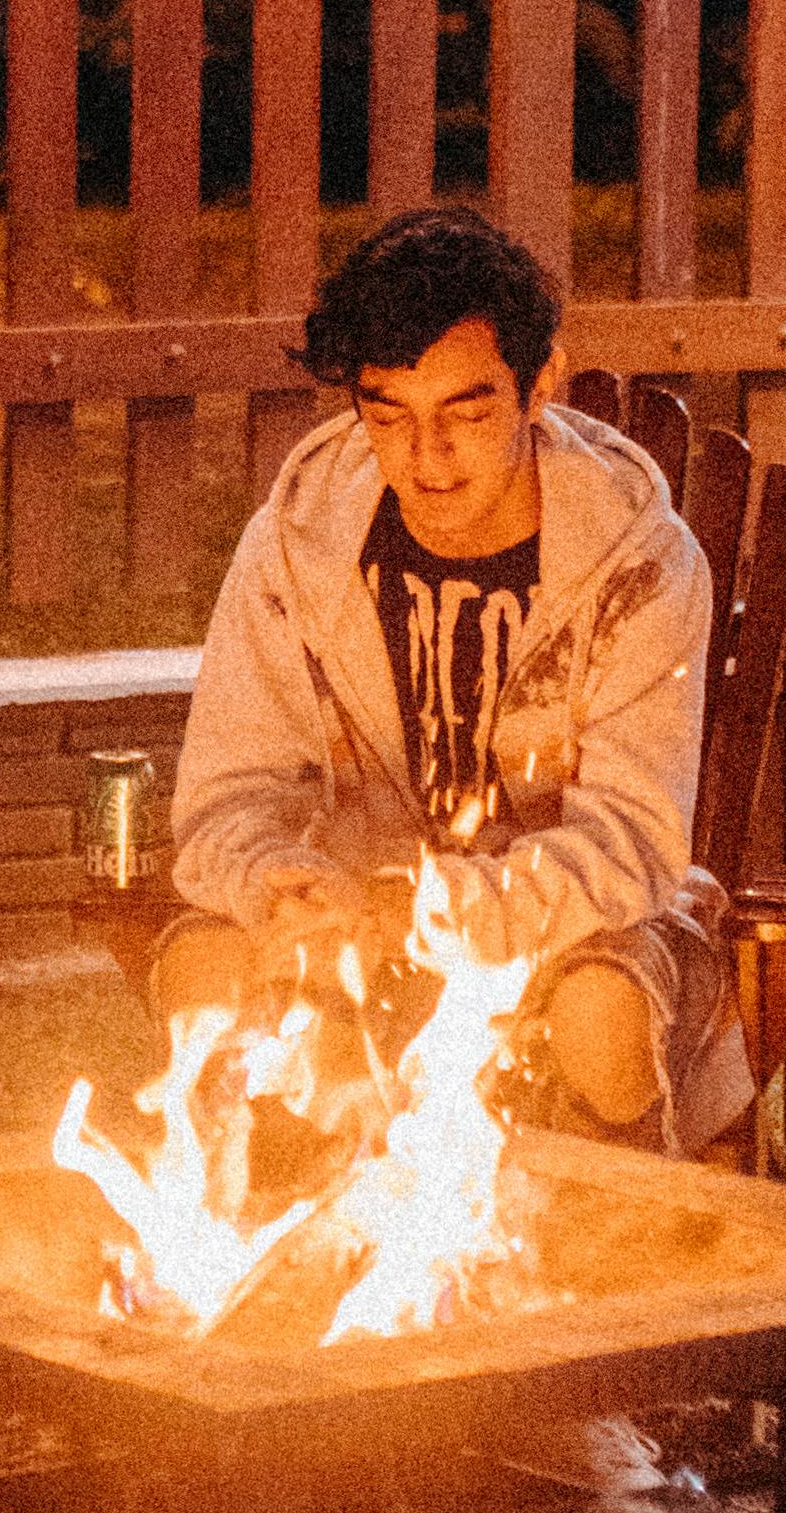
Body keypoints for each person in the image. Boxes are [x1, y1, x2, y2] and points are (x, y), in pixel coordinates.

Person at [160, 206, 750, 1147]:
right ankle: (277, 1268)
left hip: (575, 927)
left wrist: (412, 913)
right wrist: (282, 882)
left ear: (539, 383)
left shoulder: (639, 562)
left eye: (466, 413)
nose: (425, 458)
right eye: (388, 415)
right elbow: (225, 802)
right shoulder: (296, 543)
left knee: (602, 1019)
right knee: (207, 976)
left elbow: (629, 848)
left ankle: (605, 1273)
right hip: (345, 908)